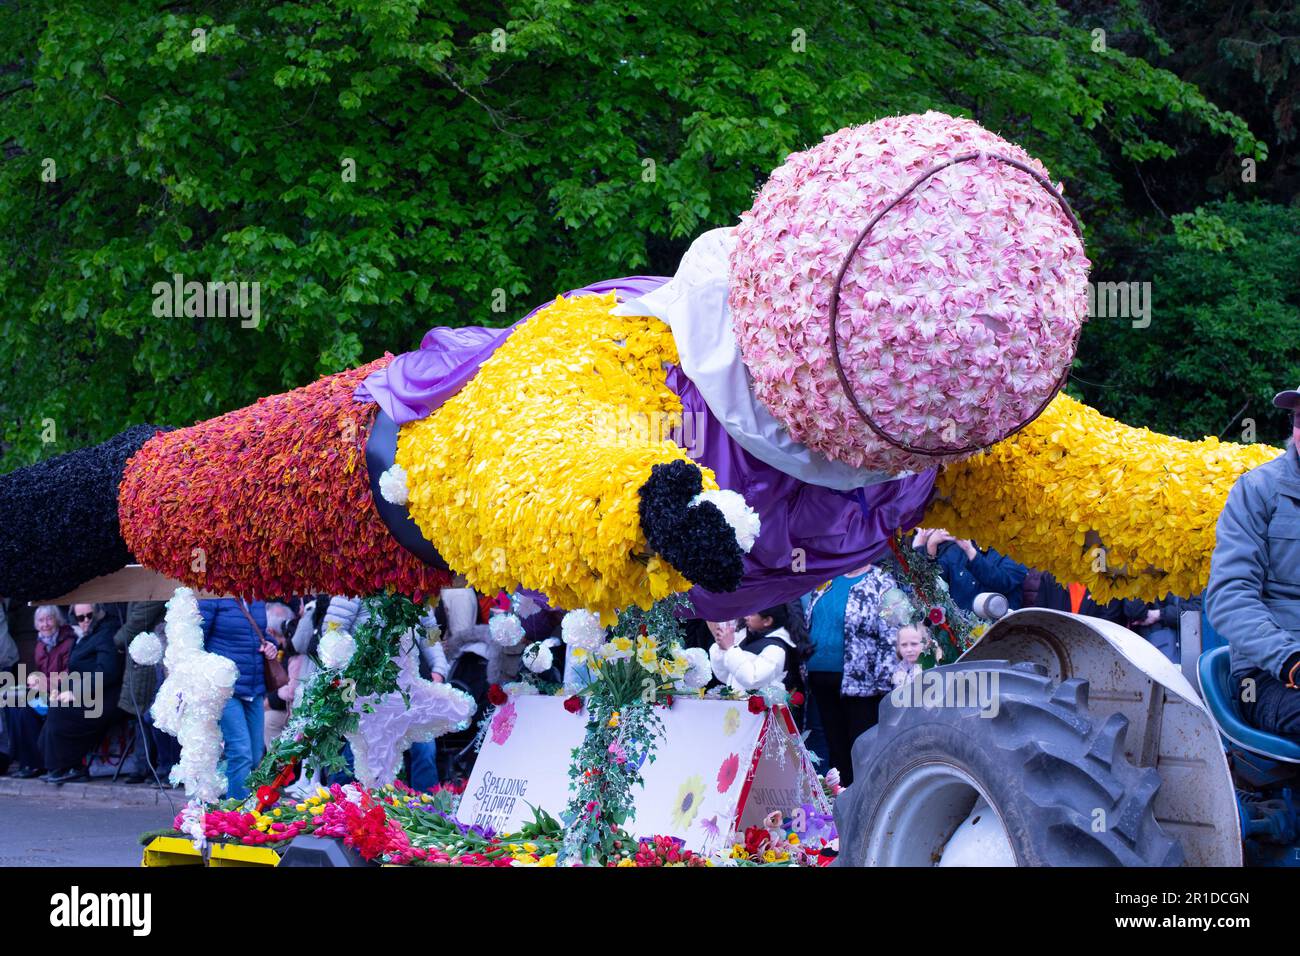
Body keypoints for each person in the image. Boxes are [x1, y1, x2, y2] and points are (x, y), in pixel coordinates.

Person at [1207, 389, 1300, 739]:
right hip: (1267, 674)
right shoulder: (1257, 490)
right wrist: (1291, 660)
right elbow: (1229, 598)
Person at [199, 597, 276, 801]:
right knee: (241, 751)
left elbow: (258, 632)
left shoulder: (256, 597)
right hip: (225, 688)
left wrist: (271, 645)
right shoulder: (213, 597)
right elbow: (197, 640)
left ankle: (227, 798)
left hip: (255, 686)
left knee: (256, 753)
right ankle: (239, 813)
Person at [40, 603, 123, 784]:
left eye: (89, 615)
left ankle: (72, 766)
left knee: (61, 712)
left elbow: (107, 672)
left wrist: (76, 693)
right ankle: (54, 766)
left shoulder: (105, 634)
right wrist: (62, 691)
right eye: (80, 617)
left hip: (105, 698)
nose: (85, 621)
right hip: (89, 695)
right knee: (53, 707)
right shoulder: (85, 637)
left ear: (98, 614)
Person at [2, 605, 74, 778]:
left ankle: (36, 763)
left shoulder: (68, 641)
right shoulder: (41, 644)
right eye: (41, 620)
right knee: (11, 706)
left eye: (49, 619)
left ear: (58, 620)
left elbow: (69, 675)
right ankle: (22, 760)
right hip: (47, 693)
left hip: (64, 694)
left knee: (27, 712)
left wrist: (43, 683)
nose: (45, 624)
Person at [112, 600, 167, 784]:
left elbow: (137, 621)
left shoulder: (150, 590)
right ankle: (144, 766)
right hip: (142, 658)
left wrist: (118, 640)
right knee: (142, 716)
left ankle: (156, 767)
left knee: (150, 714)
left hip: (149, 658)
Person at [913, 528, 1026, 613]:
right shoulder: (955, 549)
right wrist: (930, 547)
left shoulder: (1015, 551)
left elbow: (1003, 582)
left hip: (997, 632)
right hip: (958, 635)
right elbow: (932, 584)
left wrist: (971, 552)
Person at [708, 607, 798, 694]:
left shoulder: (776, 649)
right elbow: (726, 676)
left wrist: (730, 648)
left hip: (762, 708)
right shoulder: (745, 638)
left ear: (767, 621)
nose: (745, 617)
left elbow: (752, 680)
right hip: (737, 705)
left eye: (752, 613)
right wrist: (722, 648)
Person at [891, 623, 927, 688]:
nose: (909, 649)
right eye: (904, 645)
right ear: (898, 646)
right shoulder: (898, 669)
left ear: (925, 644)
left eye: (914, 644)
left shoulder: (931, 669)